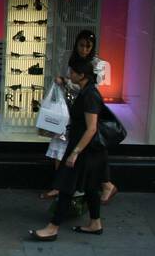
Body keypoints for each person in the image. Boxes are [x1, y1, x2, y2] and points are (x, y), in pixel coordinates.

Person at [28, 58, 107, 241]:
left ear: (82, 75)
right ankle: (95, 223)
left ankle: (53, 227)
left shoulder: (90, 96)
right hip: (88, 149)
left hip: (84, 149)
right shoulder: (86, 91)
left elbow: (92, 128)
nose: (70, 75)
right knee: (90, 187)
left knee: (66, 186)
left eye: (72, 73)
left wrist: (75, 153)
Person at [40, 29, 116, 204]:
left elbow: (88, 87)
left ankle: (102, 185)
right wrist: (64, 81)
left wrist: (67, 82)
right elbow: (72, 80)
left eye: (88, 46)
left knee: (89, 146)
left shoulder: (96, 64)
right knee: (62, 143)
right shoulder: (73, 59)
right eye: (81, 45)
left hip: (85, 109)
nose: (84, 49)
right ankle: (62, 187)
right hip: (70, 108)